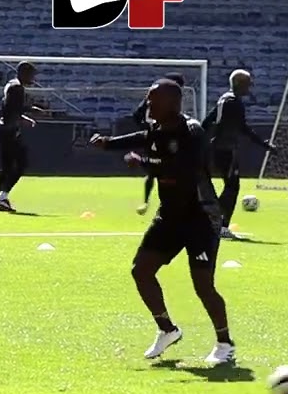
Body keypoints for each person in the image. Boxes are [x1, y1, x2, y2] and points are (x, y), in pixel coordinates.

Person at [91, 78, 234, 365]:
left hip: (200, 217)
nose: (148, 104)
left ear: (172, 103)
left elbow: (183, 168)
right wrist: (108, 144)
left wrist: (144, 163)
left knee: (203, 285)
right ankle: (167, 329)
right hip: (169, 215)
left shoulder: (192, 132)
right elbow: (141, 140)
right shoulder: (157, 129)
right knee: (141, 271)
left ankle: (224, 343)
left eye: (153, 99)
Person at [202, 69, 276, 239]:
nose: (249, 88)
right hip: (224, 149)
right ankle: (219, 225)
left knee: (231, 187)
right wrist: (263, 144)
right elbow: (238, 127)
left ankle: (215, 223)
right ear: (239, 84)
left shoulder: (224, 99)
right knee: (232, 187)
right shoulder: (233, 102)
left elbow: (208, 121)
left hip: (220, 149)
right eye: (247, 84)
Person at [131, 72, 187, 215]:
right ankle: (151, 201)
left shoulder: (166, 98)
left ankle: (160, 202)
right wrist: (149, 130)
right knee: (157, 168)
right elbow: (137, 114)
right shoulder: (157, 98)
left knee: (162, 169)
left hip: (165, 136)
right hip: (158, 136)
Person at [0, 62, 43, 213]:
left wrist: (23, 117)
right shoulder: (17, 87)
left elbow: (10, 108)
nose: (33, 78)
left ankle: (1, 200)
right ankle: (2, 197)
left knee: (7, 166)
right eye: (31, 75)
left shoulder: (11, 84)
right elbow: (10, 108)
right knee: (21, 164)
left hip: (4, 128)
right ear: (24, 73)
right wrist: (29, 110)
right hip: (9, 130)